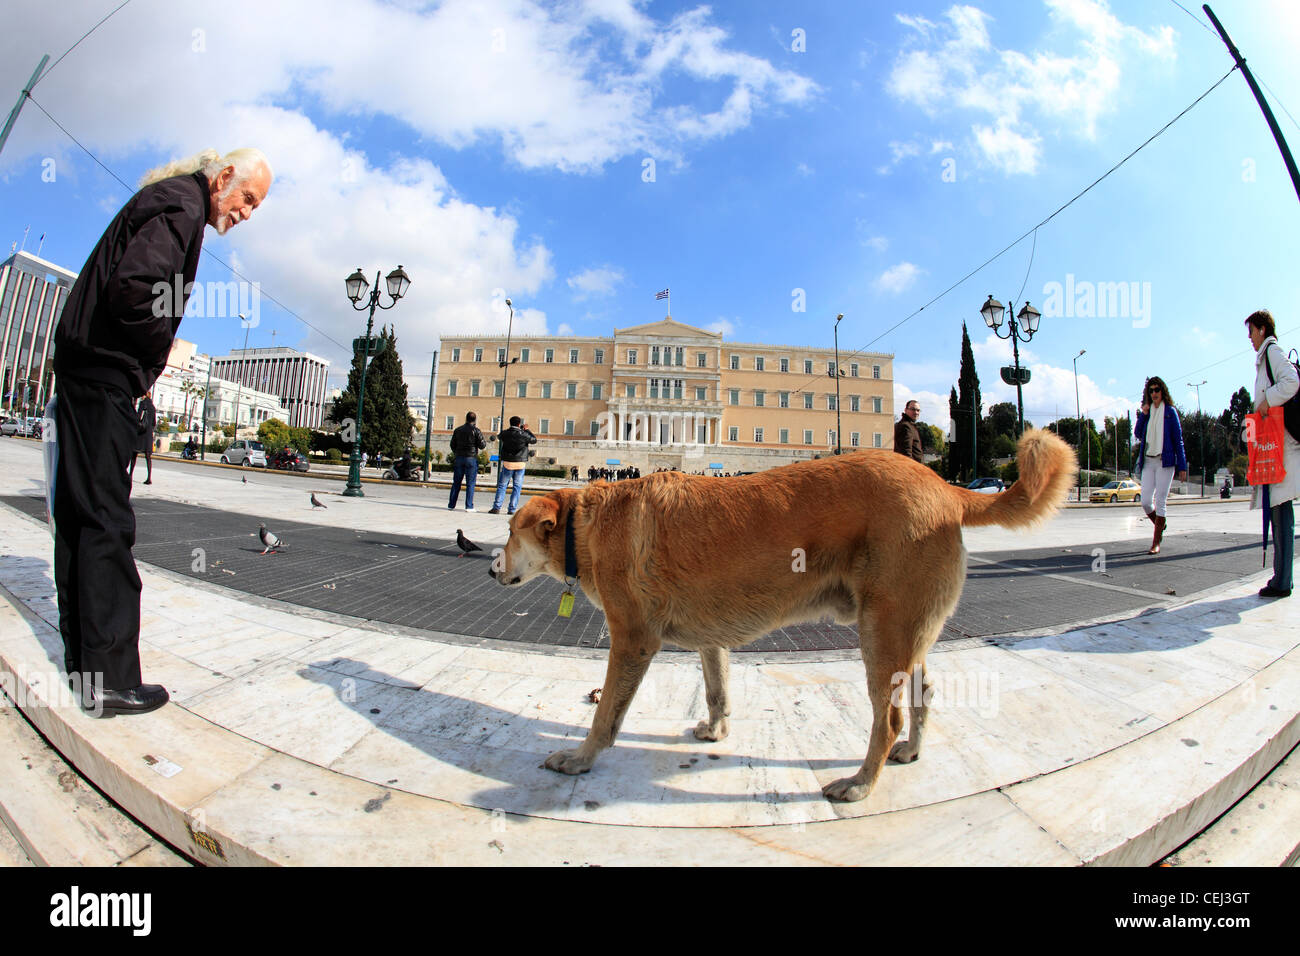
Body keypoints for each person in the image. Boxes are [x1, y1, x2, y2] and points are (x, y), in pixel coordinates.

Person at [52, 146, 272, 716]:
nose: (247, 214)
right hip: (106, 379)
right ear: (224, 177)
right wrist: (158, 353)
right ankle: (112, 680)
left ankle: (84, 667)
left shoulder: (168, 200)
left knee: (80, 519)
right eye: (247, 198)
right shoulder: (182, 209)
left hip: (85, 370)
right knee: (105, 522)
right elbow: (135, 289)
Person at [1246, 309, 1299, 598]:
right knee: (1278, 513)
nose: (1250, 338)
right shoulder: (1264, 359)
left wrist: (1267, 400)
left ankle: (1282, 581)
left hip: (1283, 450)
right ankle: (1282, 578)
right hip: (1272, 448)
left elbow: (1292, 381)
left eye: (1252, 331)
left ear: (1263, 329)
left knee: (1281, 514)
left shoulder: (1273, 353)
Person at [1133, 375, 1188, 555]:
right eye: (1151, 390)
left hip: (1165, 462)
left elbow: (1178, 440)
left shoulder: (1170, 412)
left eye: (1157, 389)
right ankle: (1160, 523)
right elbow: (1138, 433)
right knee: (1146, 501)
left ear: (1162, 391)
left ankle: (1156, 542)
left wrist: (1182, 466)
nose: (1154, 393)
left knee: (1160, 500)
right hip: (1149, 461)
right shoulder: (1147, 413)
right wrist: (1144, 414)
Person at [488, 416, 536, 515]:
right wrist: (527, 430)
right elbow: (534, 440)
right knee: (517, 487)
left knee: (502, 486)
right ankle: (512, 509)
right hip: (520, 463)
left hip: (508, 463)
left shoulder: (505, 433)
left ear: (510, 423)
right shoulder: (524, 434)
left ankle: (496, 507)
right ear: (519, 424)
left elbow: (499, 436)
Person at [448, 411, 486, 510]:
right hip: (471, 458)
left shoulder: (458, 430)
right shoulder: (476, 431)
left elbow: (452, 444)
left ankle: (451, 505)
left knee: (456, 483)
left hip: (459, 457)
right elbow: (482, 445)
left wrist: (457, 452)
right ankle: (469, 506)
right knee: (470, 483)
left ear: (466, 419)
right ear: (474, 420)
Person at [129, 395, 156, 484]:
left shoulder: (142, 404)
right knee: (148, 457)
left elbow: (138, 417)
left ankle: (130, 475)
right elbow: (154, 422)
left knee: (134, 455)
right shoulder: (152, 407)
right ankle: (149, 478)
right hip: (148, 435)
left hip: (141, 433)